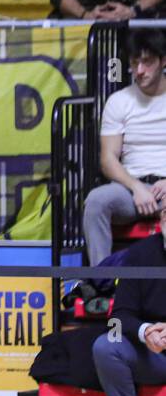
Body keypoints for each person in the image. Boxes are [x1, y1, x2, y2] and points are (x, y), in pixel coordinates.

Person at [91, 205, 166, 396]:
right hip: (154, 354)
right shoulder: (141, 253)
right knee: (106, 345)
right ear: (161, 219)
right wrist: (146, 331)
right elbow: (118, 316)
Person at [83, 30, 166, 268]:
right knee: (96, 201)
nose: (140, 71)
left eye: (147, 62)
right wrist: (136, 187)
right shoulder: (119, 101)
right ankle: (100, 282)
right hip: (131, 188)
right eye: (134, 63)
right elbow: (108, 159)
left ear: (163, 61)